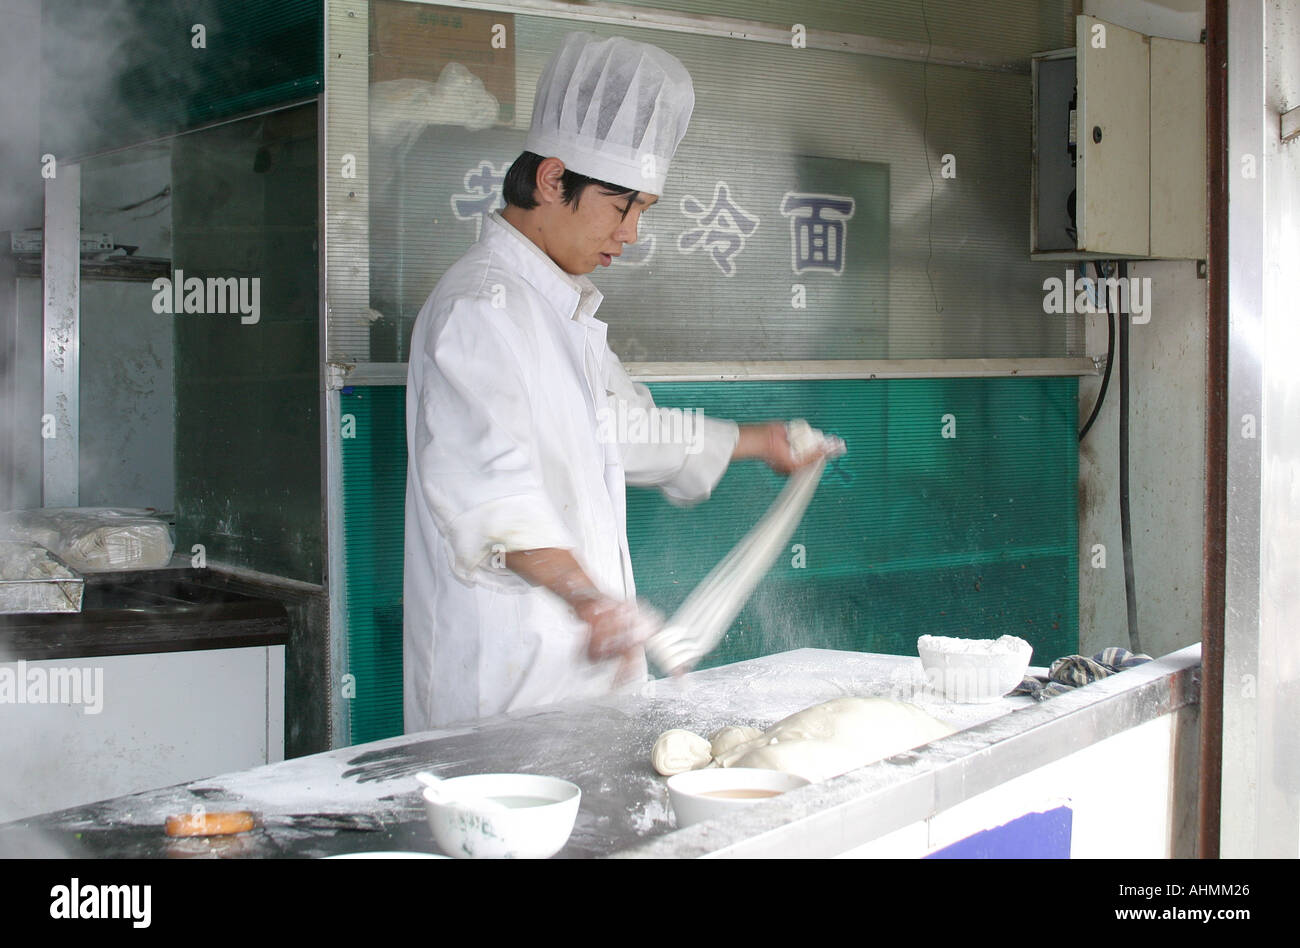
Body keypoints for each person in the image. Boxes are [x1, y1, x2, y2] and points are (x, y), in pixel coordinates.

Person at [403, 32, 831, 732]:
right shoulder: (479, 311)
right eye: (622, 206)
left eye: (644, 212)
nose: (631, 234)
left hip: (585, 674)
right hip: (505, 682)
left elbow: (622, 430)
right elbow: (489, 494)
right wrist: (589, 600)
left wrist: (763, 442)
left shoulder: (558, 308)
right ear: (551, 180)